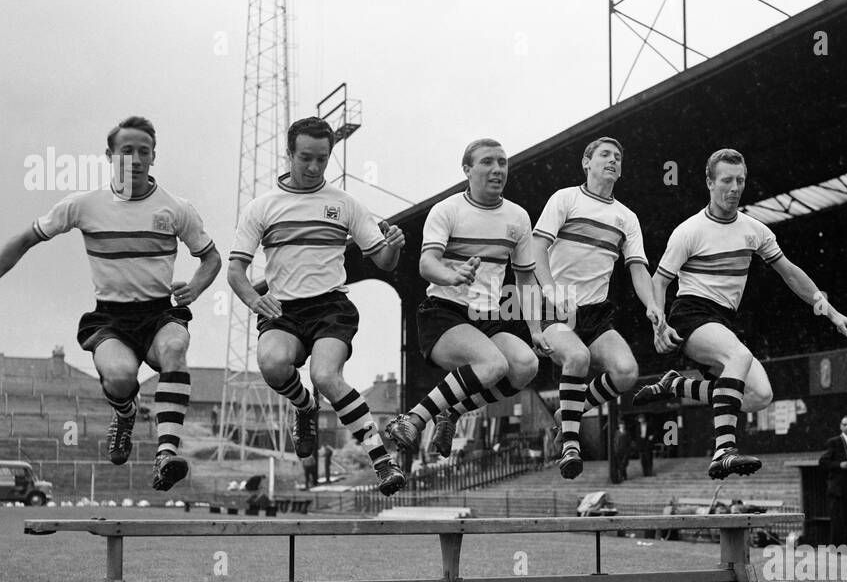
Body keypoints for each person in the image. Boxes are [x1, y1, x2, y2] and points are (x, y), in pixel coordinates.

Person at [0, 115, 221, 491]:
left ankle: (166, 453)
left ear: (154, 157)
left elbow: (211, 257)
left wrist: (196, 288)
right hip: (111, 318)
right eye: (126, 151)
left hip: (159, 312)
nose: (135, 158)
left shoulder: (177, 209)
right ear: (110, 156)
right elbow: (24, 240)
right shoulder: (85, 205)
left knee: (176, 347)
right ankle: (125, 413)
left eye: (143, 152)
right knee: (119, 377)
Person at [633, 149, 847, 480]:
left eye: (740, 180)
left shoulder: (755, 230)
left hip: (725, 321)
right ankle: (723, 450)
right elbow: (659, 280)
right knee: (738, 355)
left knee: (758, 396)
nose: (734, 188)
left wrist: (830, 311)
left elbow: (790, 273)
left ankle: (676, 385)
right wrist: (659, 324)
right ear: (709, 182)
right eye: (726, 180)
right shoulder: (689, 231)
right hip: (691, 314)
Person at [227, 116, 406, 496]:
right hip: (284, 311)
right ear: (288, 153)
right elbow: (236, 271)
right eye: (305, 157)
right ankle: (305, 407)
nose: (313, 167)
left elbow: (384, 262)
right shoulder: (262, 207)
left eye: (321, 159)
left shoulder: (345, 205)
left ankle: (382, 460)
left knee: (326, 375)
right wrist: (254, 299)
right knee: (272, 364)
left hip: (330, 308)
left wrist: (394, 245)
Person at [385, 139, 543, 459]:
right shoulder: (447, 210)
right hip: (444, 312)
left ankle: (451, 412)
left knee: (526, 366)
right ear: (467, 170)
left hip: (487, 317)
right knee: (493, 364)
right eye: (487, 162)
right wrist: (452, 276)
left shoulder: (518, 218)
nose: (497, 169)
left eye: (502, 162)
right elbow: (426, 264)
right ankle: (414, 418)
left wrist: (537, 330)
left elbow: (526, 279)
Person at [531, 137, 662, 479]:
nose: (612, 160)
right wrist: (549, 289)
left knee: (626, 372)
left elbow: (637, 267)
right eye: (605, 155)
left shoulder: (626, 217)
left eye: (618, 157)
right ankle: (570, 445)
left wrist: (653, 306)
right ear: (586, 162)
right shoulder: (565, 198)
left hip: (596, 314)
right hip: (556, 309)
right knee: (577, 358)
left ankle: (567, 415)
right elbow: (537, 248)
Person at [819, 416, 847, 549]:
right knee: (839, 520)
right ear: (840, 426)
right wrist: (840, 465)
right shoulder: (834, 442)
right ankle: (839, 547)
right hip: (839, 488)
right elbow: (823, 462)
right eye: (844, 425)